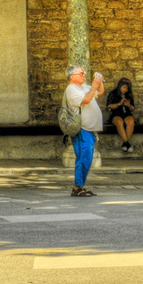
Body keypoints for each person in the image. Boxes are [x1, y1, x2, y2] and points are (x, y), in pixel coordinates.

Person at [64, 64, 104, 197]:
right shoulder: (71, 89)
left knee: (86, 158)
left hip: (89, 129)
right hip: (82, 129)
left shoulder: (85, 87)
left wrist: (99, 81)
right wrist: (93, 86)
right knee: (83, 158)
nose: (84, 75)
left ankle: (79, 185)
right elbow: (86, 99)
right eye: (81, 73)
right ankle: (77, 187)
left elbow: (99, 92)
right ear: (73, 76)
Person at [106, 78, 136, 153]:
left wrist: (128, 105)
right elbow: (109, 106)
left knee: (131, 121)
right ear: (120, 86)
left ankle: (125, 143)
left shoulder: (128, 95)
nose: (125, 90)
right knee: (119, 122)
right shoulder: (113, 93)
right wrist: (119, 104)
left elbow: (132, 108)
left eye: (127, 88)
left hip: (126, 113)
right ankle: (127, 143)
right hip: (116, 113)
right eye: (124, 87)